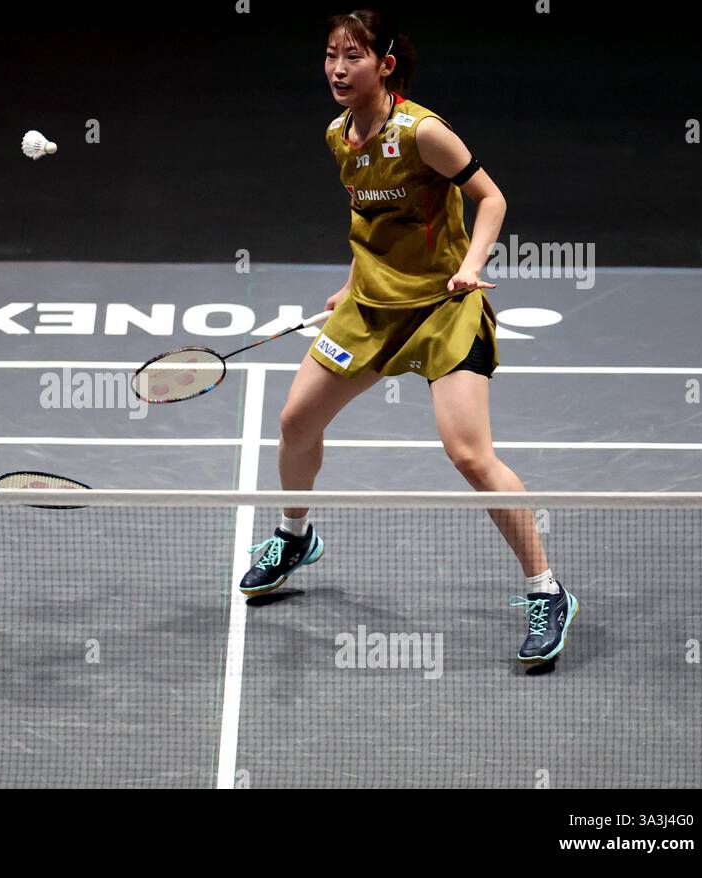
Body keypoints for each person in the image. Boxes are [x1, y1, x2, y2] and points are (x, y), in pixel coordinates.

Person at [238, 10, 578, 664]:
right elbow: (371, 216)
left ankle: (547, 588)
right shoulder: (340, 135)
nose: (338, 68)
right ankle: (294, 534)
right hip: (371, 308)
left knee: (469, 455)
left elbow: (492, 198)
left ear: (384, 64)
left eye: (353, 56)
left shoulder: (423, 133)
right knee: (295, 422)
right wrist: (353, 278)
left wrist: (472, 264)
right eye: (331, 55)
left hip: (446, 308)